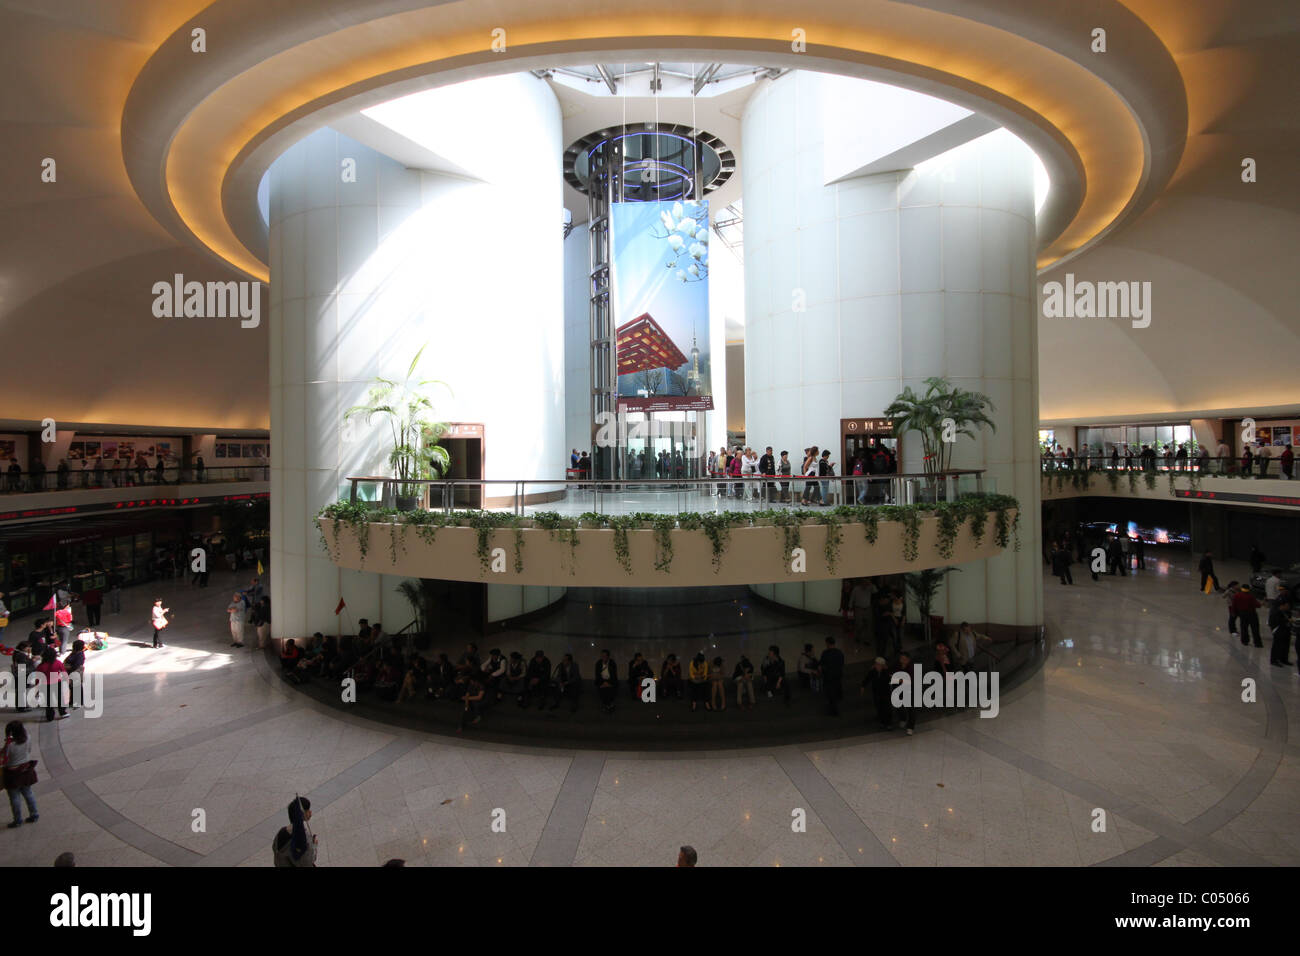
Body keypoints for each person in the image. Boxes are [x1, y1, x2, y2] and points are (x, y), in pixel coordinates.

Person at [3, 721, 39, 828]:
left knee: (14, 797)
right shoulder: (28, 737)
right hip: (26, 770)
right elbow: (29, 750)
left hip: (12, 773)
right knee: (28, 793)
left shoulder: (10, 745)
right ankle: (34, 814)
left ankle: (17, 819)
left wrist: (6, 745)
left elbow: (5, 758)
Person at [272, 797, 317, 867]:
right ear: (301, 814)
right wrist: (314, 846)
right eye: (307, 810)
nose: (310, 812)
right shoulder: (303, 838)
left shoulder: (281, 831)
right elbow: (307, 862)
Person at [36, 649, 68, 722]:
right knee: (60, 698)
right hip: (57, 683)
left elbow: (38, 677)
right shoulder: (58, 663)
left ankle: (50, 716)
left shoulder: (41, 666)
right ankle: (62, 712)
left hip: (45, 685)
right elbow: (64, 672)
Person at [862, 657, 894, 730]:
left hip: (885, 694)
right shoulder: (873, 671)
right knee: (879, 708)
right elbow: (867, 678)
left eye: (879, 665)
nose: (877, 666)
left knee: (887, 708)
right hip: (877, 694)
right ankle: (882, 723)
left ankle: (888, 723)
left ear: (882, 665)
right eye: (876, 664)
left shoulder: (886, 672)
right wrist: (863, 686)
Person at [892, 651, 917, 736]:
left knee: (911, 709)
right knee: (899, 705)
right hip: (899, 689)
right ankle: (903, 718)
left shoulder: (911, 668)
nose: (902, 660)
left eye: (904, 659)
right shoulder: (897, 666)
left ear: (908, 660)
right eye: (901, 659)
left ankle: (910, 727)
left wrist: (899, 679)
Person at [819, 636, 845, 716]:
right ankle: (839, 698)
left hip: (829, 677)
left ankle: (833, 711)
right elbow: (842, 664)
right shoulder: (839, 652)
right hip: (837, 675)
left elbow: (821, 665)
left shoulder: (825, 653)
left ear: (827, 643)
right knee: (836, 690)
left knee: (831, 694)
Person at [1268, 597, 1292, 668]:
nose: (1288, 607)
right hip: (1278, 631)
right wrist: (1286, 621)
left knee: (1285, 646)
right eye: (1287, 605)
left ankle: (1284, 659)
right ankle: (1274, 660)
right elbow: (1273, 622)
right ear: (1282, 605)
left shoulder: (1287, 612)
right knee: (1277, 646)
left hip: (1286, 630)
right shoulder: (1275, 612)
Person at [593, 649, 618, 713]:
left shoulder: (612, 663)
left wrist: (608, 683)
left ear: (608, 656)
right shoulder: (598, 663)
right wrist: (603, 682)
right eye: (602, 656)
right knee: (603, 689)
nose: (603, 657)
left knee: (610, 689)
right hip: (601, 680)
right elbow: (597, 675)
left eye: (605, 656)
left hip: (610, 680)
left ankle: (607, 705)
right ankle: (609, 705)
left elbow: (614, 675)